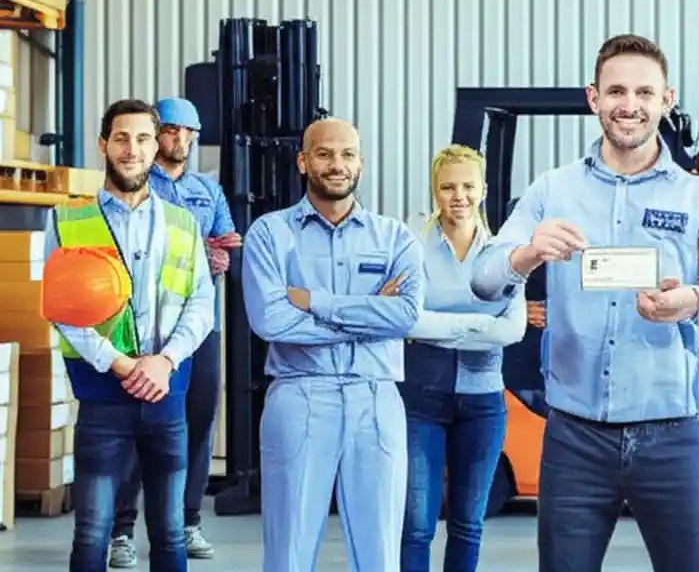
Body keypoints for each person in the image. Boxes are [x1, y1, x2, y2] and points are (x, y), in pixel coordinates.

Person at [470, 33, 699, 572]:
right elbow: (484, 280)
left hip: (671, 437)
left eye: (644, 93)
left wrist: (691, 301)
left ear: (666, 99)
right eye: (617, 91)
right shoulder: (552, 190)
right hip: (575, 440)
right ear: (593, 97)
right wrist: (527, 255)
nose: (630, 105)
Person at [240, 117, 426, 571]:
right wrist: (367, 314)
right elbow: (272, 320)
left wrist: (316, 302)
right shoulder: (270, 233)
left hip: (376, 395)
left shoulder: (395, 237)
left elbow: (405, 315)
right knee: (289, 549)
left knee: (381, 548)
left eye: (347, 154)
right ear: (304, 162)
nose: (336, 164)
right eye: (324, 154)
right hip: (300, 392)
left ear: (361, 162)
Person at [45, 98, 216, 572]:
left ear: (156, 145)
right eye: (121, 138)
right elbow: (61, 310)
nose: (132, 149)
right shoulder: (66, 221)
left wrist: (165, 361)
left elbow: (202, 302)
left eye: (143, 138)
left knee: (169, 535)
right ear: (104, 145)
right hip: (103, 398)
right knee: (93, 534)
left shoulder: (183, 223)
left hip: (167, 393)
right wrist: (119, 363)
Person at [110, 96, 239, 567]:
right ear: (155, 133)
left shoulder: (210, 191)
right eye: (170, 130)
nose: (179, 139)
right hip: (144, 326)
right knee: (131, 424)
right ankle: (121, 531)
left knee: (199, 422)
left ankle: (187, 523)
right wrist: (201, 253)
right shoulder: (139, 183)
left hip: (200, 324)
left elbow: (227, 243)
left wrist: (214, 254)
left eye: (188, 132)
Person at [400, 144, 527, 572]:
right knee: (417, 524)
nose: (459, 196)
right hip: (421, 400)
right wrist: (476, 324)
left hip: (483, 403)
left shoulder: (504, 255)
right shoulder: (412, 245)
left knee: (468, 523)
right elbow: (407, 322)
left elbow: (514, 330)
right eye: (447, 187)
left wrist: (440, 327)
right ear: (434, 192)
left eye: (468, 186)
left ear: (484, 190)